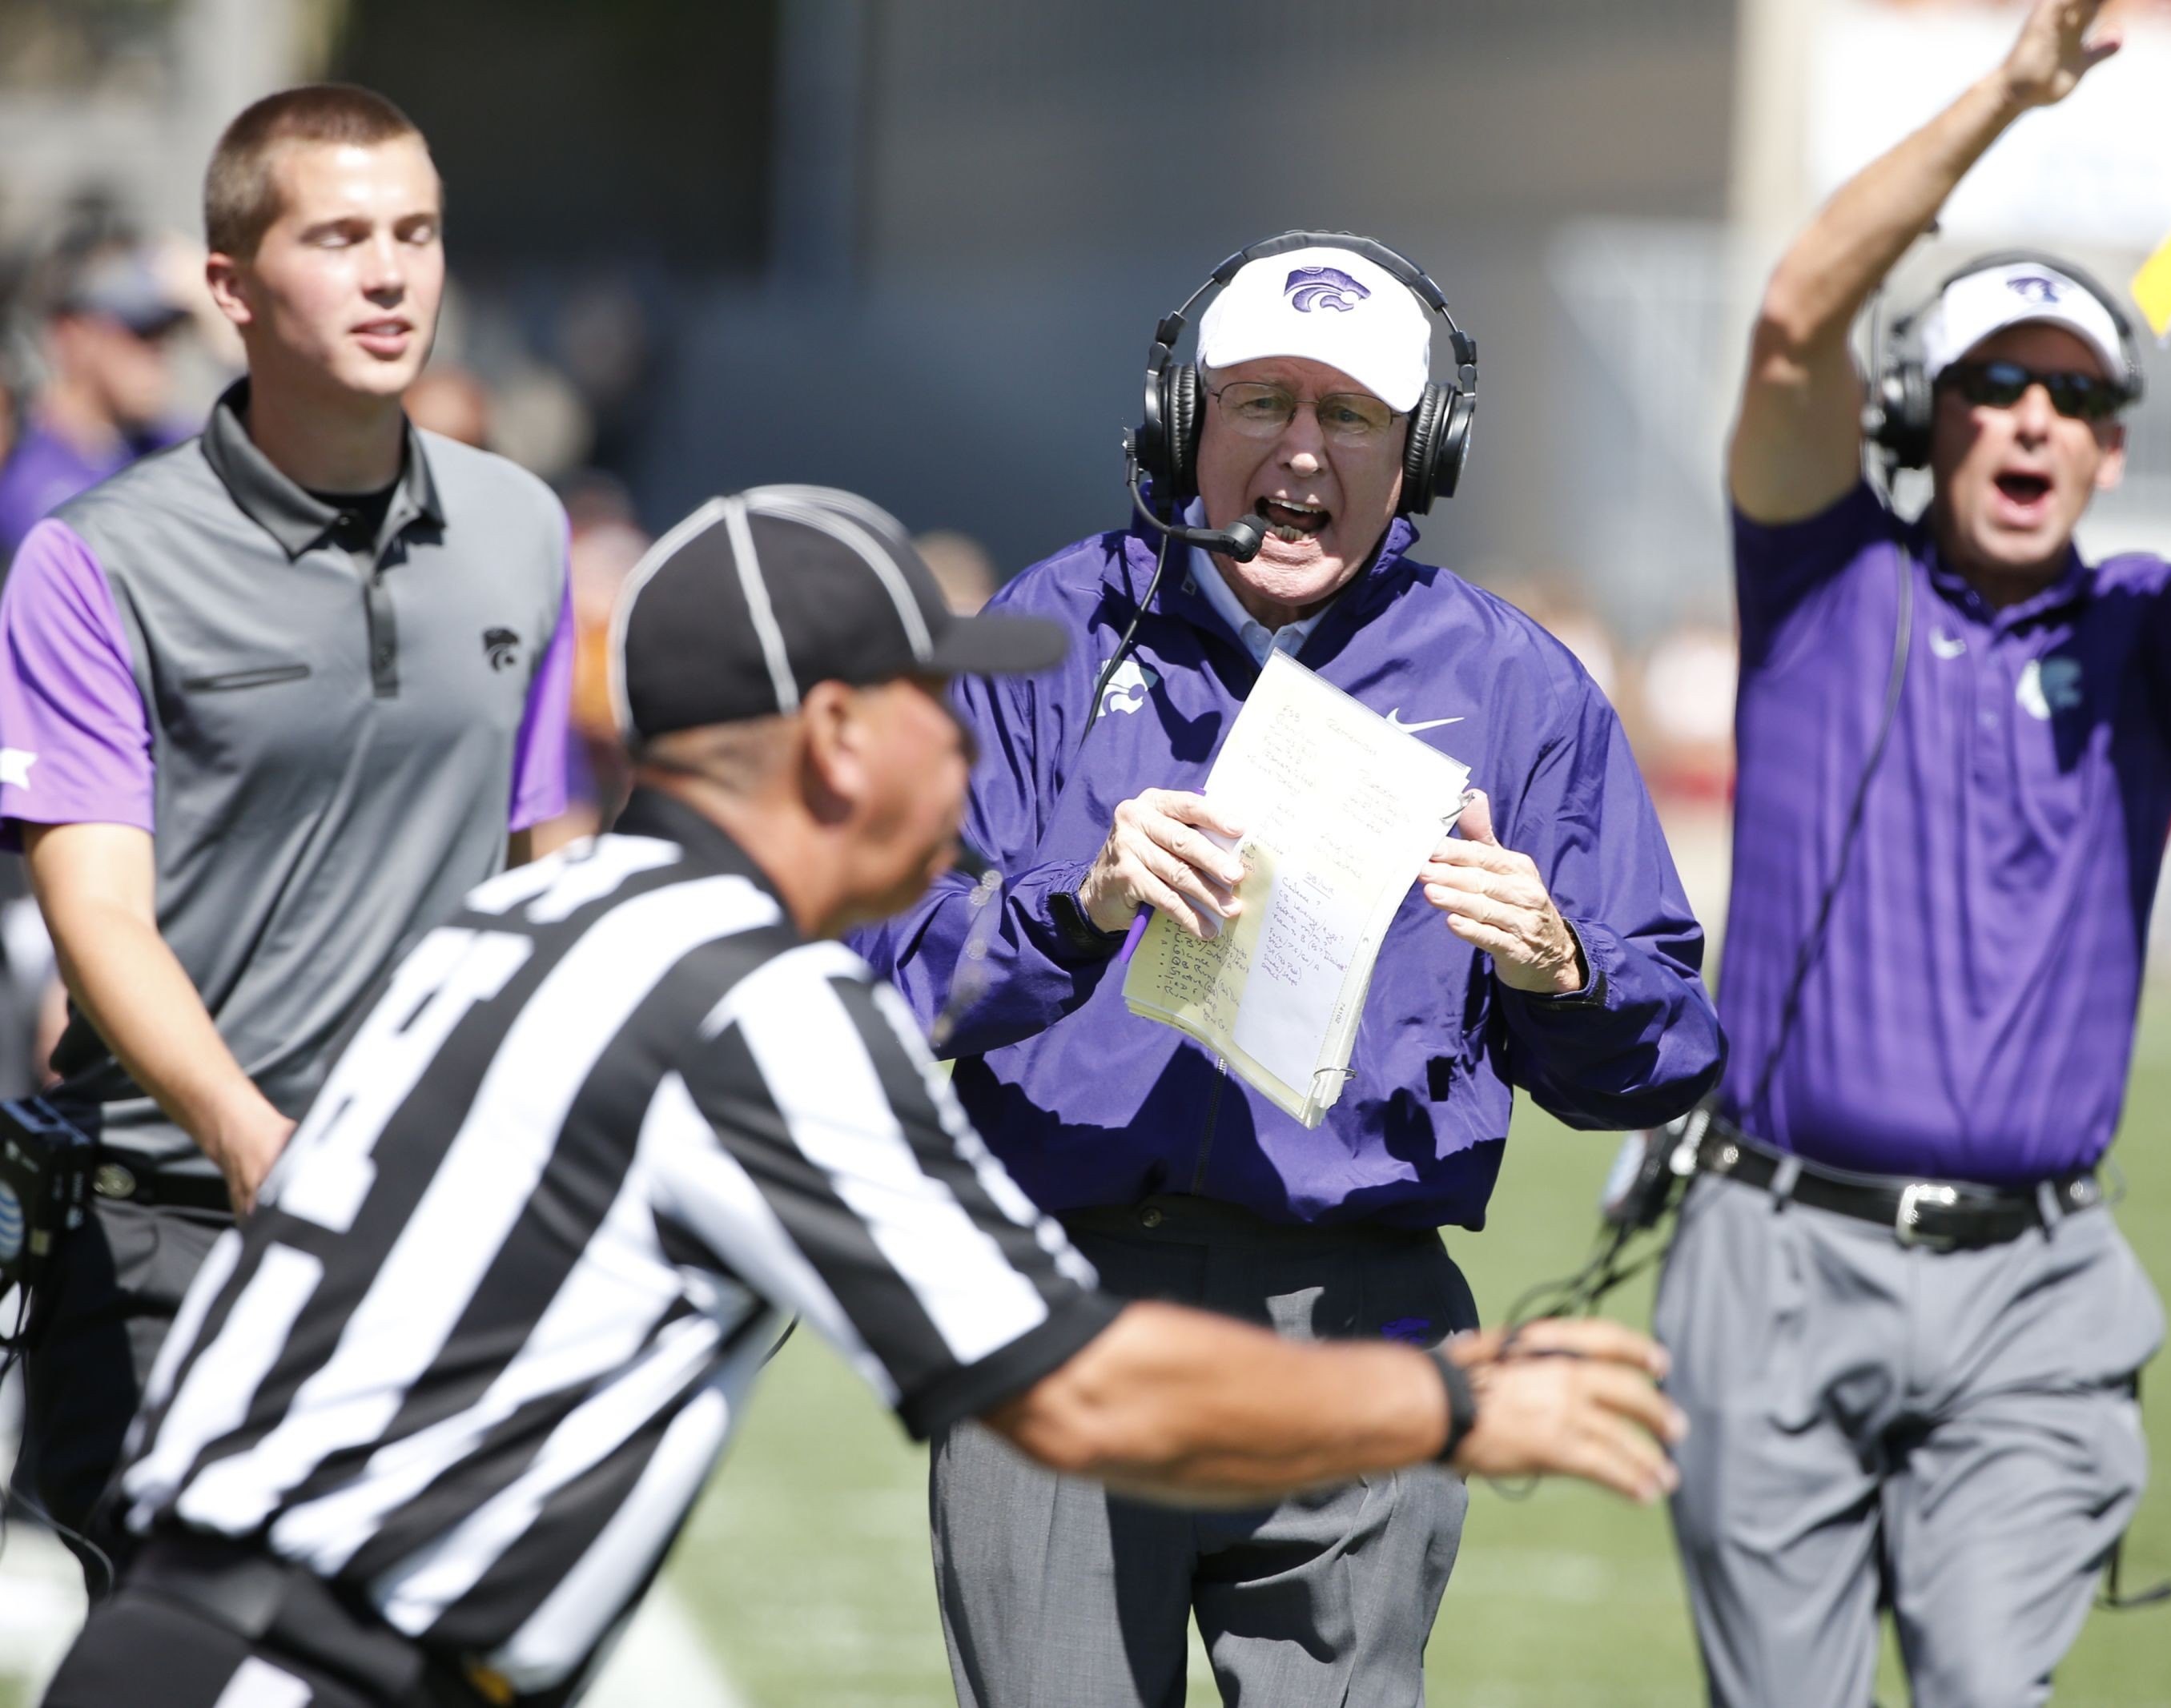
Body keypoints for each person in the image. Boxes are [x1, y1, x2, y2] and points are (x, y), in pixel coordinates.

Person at [38, 484, 1684, 1708]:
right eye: (931, 700)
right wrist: (1456, 1406)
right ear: (833, 736)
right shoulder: (752, 1006)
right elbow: (1078, 1399)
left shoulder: (527, 914)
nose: (971, 752)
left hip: (183, 1629)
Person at [847, 232, 1724, 1707]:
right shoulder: (1035, 638)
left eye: (1350, 415)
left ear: (1420, 447)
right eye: (1263, 403)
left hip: (1358, 1314)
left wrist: (1558, 962)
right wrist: (1078, 903)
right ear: (1183, 418)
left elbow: (1669, 1054)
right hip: (1067, 1301)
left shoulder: (1520, 689)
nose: (1301, 450)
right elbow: (882, 975)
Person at [1656, 4, 2171, 1704]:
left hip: (2033, 1285)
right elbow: (1793, 315)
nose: (2033, 420)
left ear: (2110, 444)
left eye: (2075, 394)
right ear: (1922, 419)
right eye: (1994, 384)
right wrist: (2011, 95)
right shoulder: (1819, 582)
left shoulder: (2143, 645)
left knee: (1983, 1682)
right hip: (1775, 1254)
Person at [0, 83, 573, 1596]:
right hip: (174, 1235)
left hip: (438, 1239)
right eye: (339, 238)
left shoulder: (522, 525)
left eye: (418, 233)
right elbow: (94, 911)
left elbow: (547, 865)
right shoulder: (93, 561)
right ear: (232, 287)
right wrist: (254, 1135)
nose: (392, 276)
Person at [0, 240, 194, 566]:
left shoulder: (164, 445)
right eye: (141, 333)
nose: (158, 357)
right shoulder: (17, 453)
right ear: (72, 334)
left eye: (165, 337)